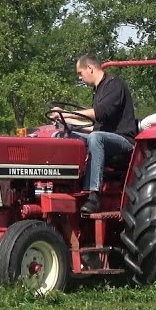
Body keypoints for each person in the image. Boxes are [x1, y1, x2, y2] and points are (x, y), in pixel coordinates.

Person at [53, 54, 138, 214]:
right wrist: (65, 121)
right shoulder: (97, 90)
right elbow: (93, 123)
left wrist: (67, 113)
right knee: (62, 136)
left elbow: (101, 113)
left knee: (95, 137)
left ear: (90, 68)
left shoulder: (114, 85)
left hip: (124, 141)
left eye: (80, 73)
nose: (80, 77)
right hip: (102, 136)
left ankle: (93, 195)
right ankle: (63, 185)